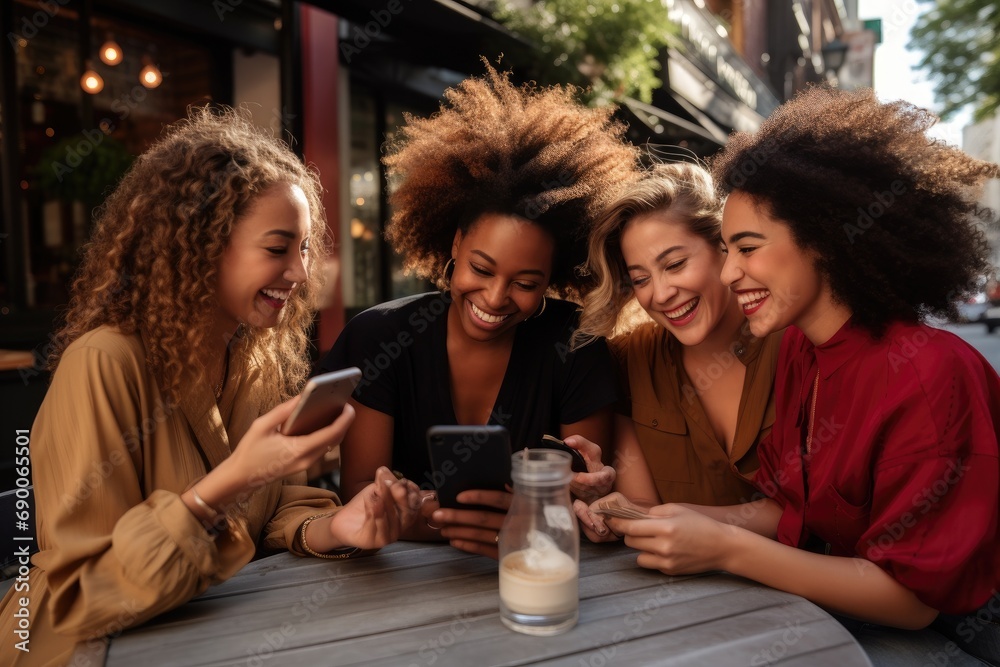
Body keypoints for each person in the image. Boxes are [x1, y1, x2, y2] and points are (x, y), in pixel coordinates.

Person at [593, 87, 1000, 664]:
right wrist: (643, 517)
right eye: (728, 250)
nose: (730, 273)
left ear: (824, 239)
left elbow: (913, 603)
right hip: (846, 612)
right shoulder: (804, 355)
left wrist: (726, 548)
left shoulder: (930, 373)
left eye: (747, 248)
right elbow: (789, 513)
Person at [0, 108, 421, 665]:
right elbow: (84, 595)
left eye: (304, 248)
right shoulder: (103, 363)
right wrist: (232, 480)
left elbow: (275, 510)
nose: (300, 274)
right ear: (201, 246)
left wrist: (336, 526)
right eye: (277, 248)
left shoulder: (256, 360)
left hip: (209, 638)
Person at [319, 63, 639, 559]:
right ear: (455, 243)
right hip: (399, 581)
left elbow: (581, 496)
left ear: (552, 278)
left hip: (538, 568)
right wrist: (496, 518)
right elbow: (359, 497)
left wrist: (562, 504)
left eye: (525, 284)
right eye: (481, 269)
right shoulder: (379, 337)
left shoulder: (575, 345)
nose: (494, 298)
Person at [568, 163, 782, 541]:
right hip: (671, 577)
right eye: (641, 279)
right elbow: (640, 505)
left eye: (675, 264)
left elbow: (806, 516)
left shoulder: (792, 343)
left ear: (723, 247)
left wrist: (678, 520)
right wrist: (609, 511)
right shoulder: (632, 360)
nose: (661, 294)